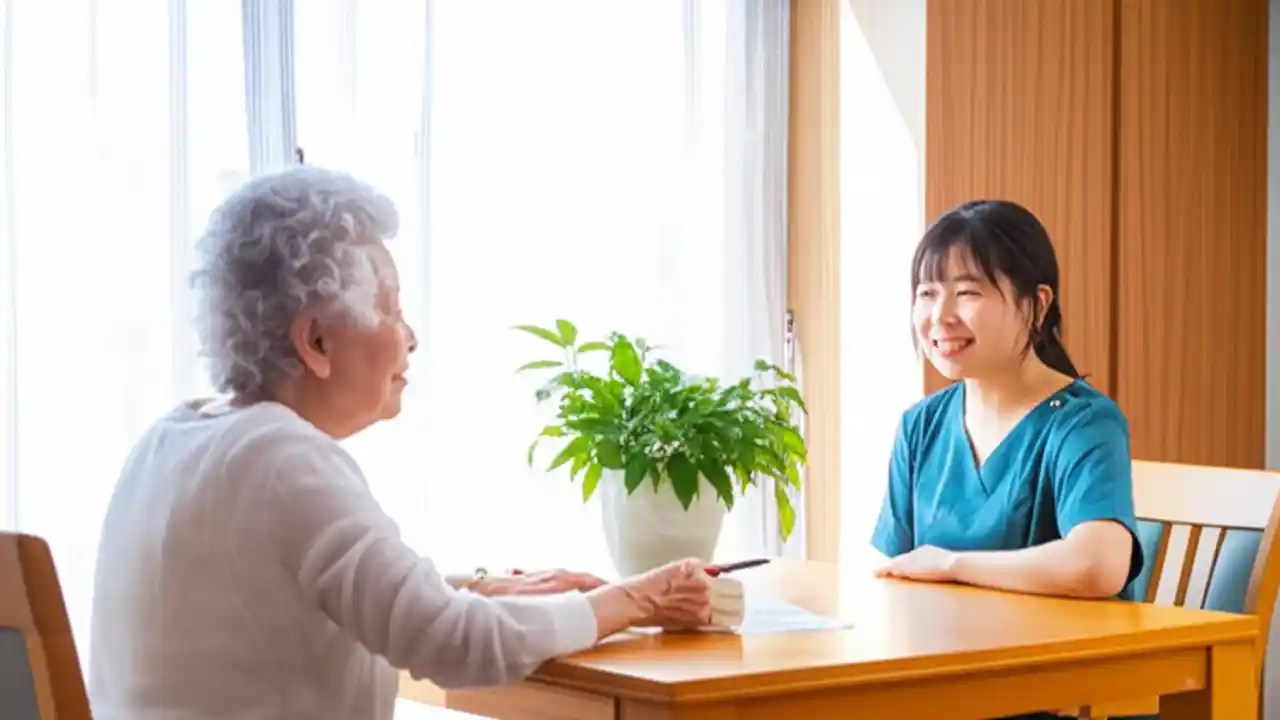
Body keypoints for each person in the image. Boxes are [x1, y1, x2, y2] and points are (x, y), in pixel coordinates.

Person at [88, 167, 712, 720]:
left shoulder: (170, 441)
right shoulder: (283, 460)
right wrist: (636, 597)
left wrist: (475, 588)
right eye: (390, 309)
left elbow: (310, 591)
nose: (409, 337)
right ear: (317, 343)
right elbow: (453, 645)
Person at [872, 199, 1144, 603]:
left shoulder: (1083, 423)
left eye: (967, 292)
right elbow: (891, 571)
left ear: (1036, 305)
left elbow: (1098, 566)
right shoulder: (921, 425)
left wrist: (953, 566)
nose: (941, 315)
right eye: (927, 293)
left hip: (1058, 661)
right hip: (947, 656)